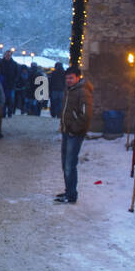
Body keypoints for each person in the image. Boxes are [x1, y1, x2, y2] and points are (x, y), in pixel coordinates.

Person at [56, 65, 94, 205]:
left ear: (78, 77)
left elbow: (86, 115)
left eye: (71, 78)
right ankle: (69, 191)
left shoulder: (83, 92)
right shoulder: (70, 90)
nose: (69, 80)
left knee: (69, 164)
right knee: (65, 163)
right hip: (67, 131)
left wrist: (74, 129)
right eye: (67, 78)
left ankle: (71, 194)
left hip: (74, 133)